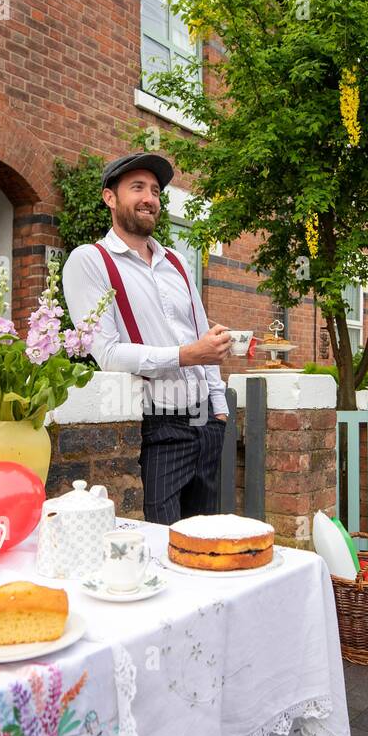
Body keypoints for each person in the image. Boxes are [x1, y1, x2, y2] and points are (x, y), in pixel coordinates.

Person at [62, 152, 232, 524]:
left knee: (203, 545)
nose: (149, 198)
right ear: (110, 197)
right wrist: (187, 355)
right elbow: (106, 353)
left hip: (207, 424)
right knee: (162, 542)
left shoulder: (177, 262)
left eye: (155, 190)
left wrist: (219, 409)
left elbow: (203, 333)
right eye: (137, 187)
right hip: (160, 426)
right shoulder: (90, 261)